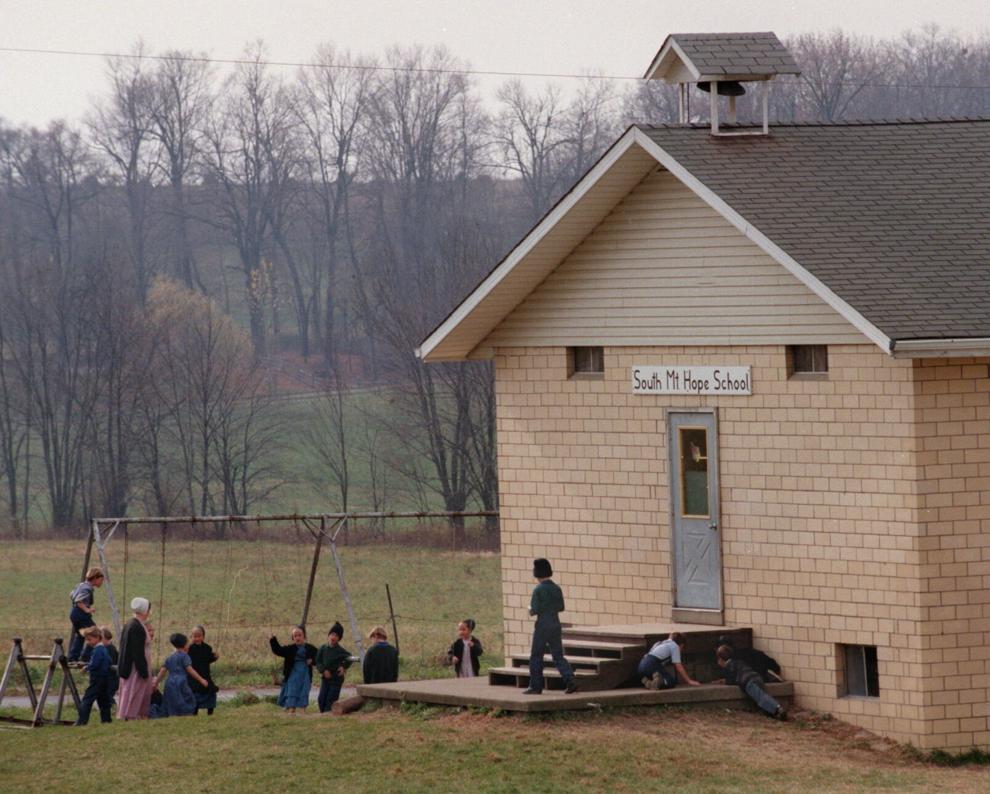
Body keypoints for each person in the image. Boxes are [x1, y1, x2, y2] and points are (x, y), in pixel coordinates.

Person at [522, 558, 577, 695]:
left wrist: (529, 609)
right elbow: (561, 607)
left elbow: (533, 610)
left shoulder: (538, 590)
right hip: (555, 623)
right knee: (558, 655)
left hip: (542, 625)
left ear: (537, 573)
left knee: (536, 655)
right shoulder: (557, 588)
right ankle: (570, 680)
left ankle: (535, 686)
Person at [717, 644, 787, 721]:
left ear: (721, 659)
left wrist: (724, 680)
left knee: (761, 697)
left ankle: (778, 709)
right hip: (757, 677)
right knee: (761, 695)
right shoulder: (738, 661)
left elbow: (732, 680)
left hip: (748, 681)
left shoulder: (728, 666)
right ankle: (771, 712)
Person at [117, 597, 154, 720]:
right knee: (134, 692)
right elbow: (137, 652)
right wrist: (143, 671)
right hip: (135, 667)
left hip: (136, 665)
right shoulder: (136, 627)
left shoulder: (132, 624)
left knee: (134, 692)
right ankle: (131, 716)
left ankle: (133, 716)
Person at [155, 632, 209, 718]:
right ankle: (186, 714)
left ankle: (172, 714)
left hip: (169, 682)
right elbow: (190, 670)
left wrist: (156, 683)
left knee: (172, 699)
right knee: (187, 698)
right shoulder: (185, 657)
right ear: (184, 644)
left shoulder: (170, 657)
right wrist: (201, 680)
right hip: (181, 682)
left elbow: (162, 671)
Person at [270, 626, 318, 713]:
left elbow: (319, 657)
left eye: (300, 635)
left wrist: (312, 661)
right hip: (293, 673)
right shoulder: (290, 649)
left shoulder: (310, 648)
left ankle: (303, 709)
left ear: (304, 637)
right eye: (295, 636)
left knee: (304, 689)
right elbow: (278, 650)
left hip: (305, 673)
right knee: (292, 689)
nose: (298, 638)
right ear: (293, 638)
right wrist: (273, 640)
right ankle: (292, 708)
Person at [74, 627, 113, 725]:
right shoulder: (104, 649)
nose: (88, 642)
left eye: (89, 639)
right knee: (103, 700)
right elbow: (109, 661)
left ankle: (81, 721)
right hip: (105, 679)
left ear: (97, 638)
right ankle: (106, 720)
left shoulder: (97, 650)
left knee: (87, 699)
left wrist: (86, 667)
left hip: (96, 678)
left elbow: (95, 663)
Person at [68, 568, 104, 662]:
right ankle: (86, 657)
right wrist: (87, 609)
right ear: (95, 578)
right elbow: (78, 600)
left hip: (74, 613)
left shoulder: (81, 585)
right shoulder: (87, 588)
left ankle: (73, 657)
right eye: (101, 580)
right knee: (95, 633)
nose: (101, 582)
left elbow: (71, 594)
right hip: (81, 614)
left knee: (80, 636)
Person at [315, 621, 352, 713]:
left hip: (336, 679)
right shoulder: (323, 648)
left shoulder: (340, 650)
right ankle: (322, 713)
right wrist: (323, 670)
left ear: (339, 638)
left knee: (330, 700)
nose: (333, 637)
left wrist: (343, 667)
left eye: (336, 635)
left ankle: (328, 715)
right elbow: (318, 661)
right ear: (328, 635)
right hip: (326, 678)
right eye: (332, 634)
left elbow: (349, 658)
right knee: (321, 699)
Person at [717, 634, 782, 682]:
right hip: (762, 677)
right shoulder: (752, 652)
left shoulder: (733, 662)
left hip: (754, 681)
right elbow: (775, 667)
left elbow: (736, 679)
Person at [188, 625, 220, 715]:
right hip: (194, 676)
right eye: (194, 636)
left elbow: (208, 659)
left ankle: (210, 712)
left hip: (205, 674)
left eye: (199, 636)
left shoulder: (207, 648)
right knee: (195, 695)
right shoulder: (189, 649)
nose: (197, 638)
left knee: (211, 691)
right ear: (191, 637)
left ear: (203, 636)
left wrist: (215, 657)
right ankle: (194, 713)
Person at [100, 626, 120, 704]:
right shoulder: (104, 648)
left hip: (111, 678)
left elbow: (110, 663)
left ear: (105, 638)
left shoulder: (110, 649)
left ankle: (112, 707)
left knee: (107, 695)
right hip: (108, 677)